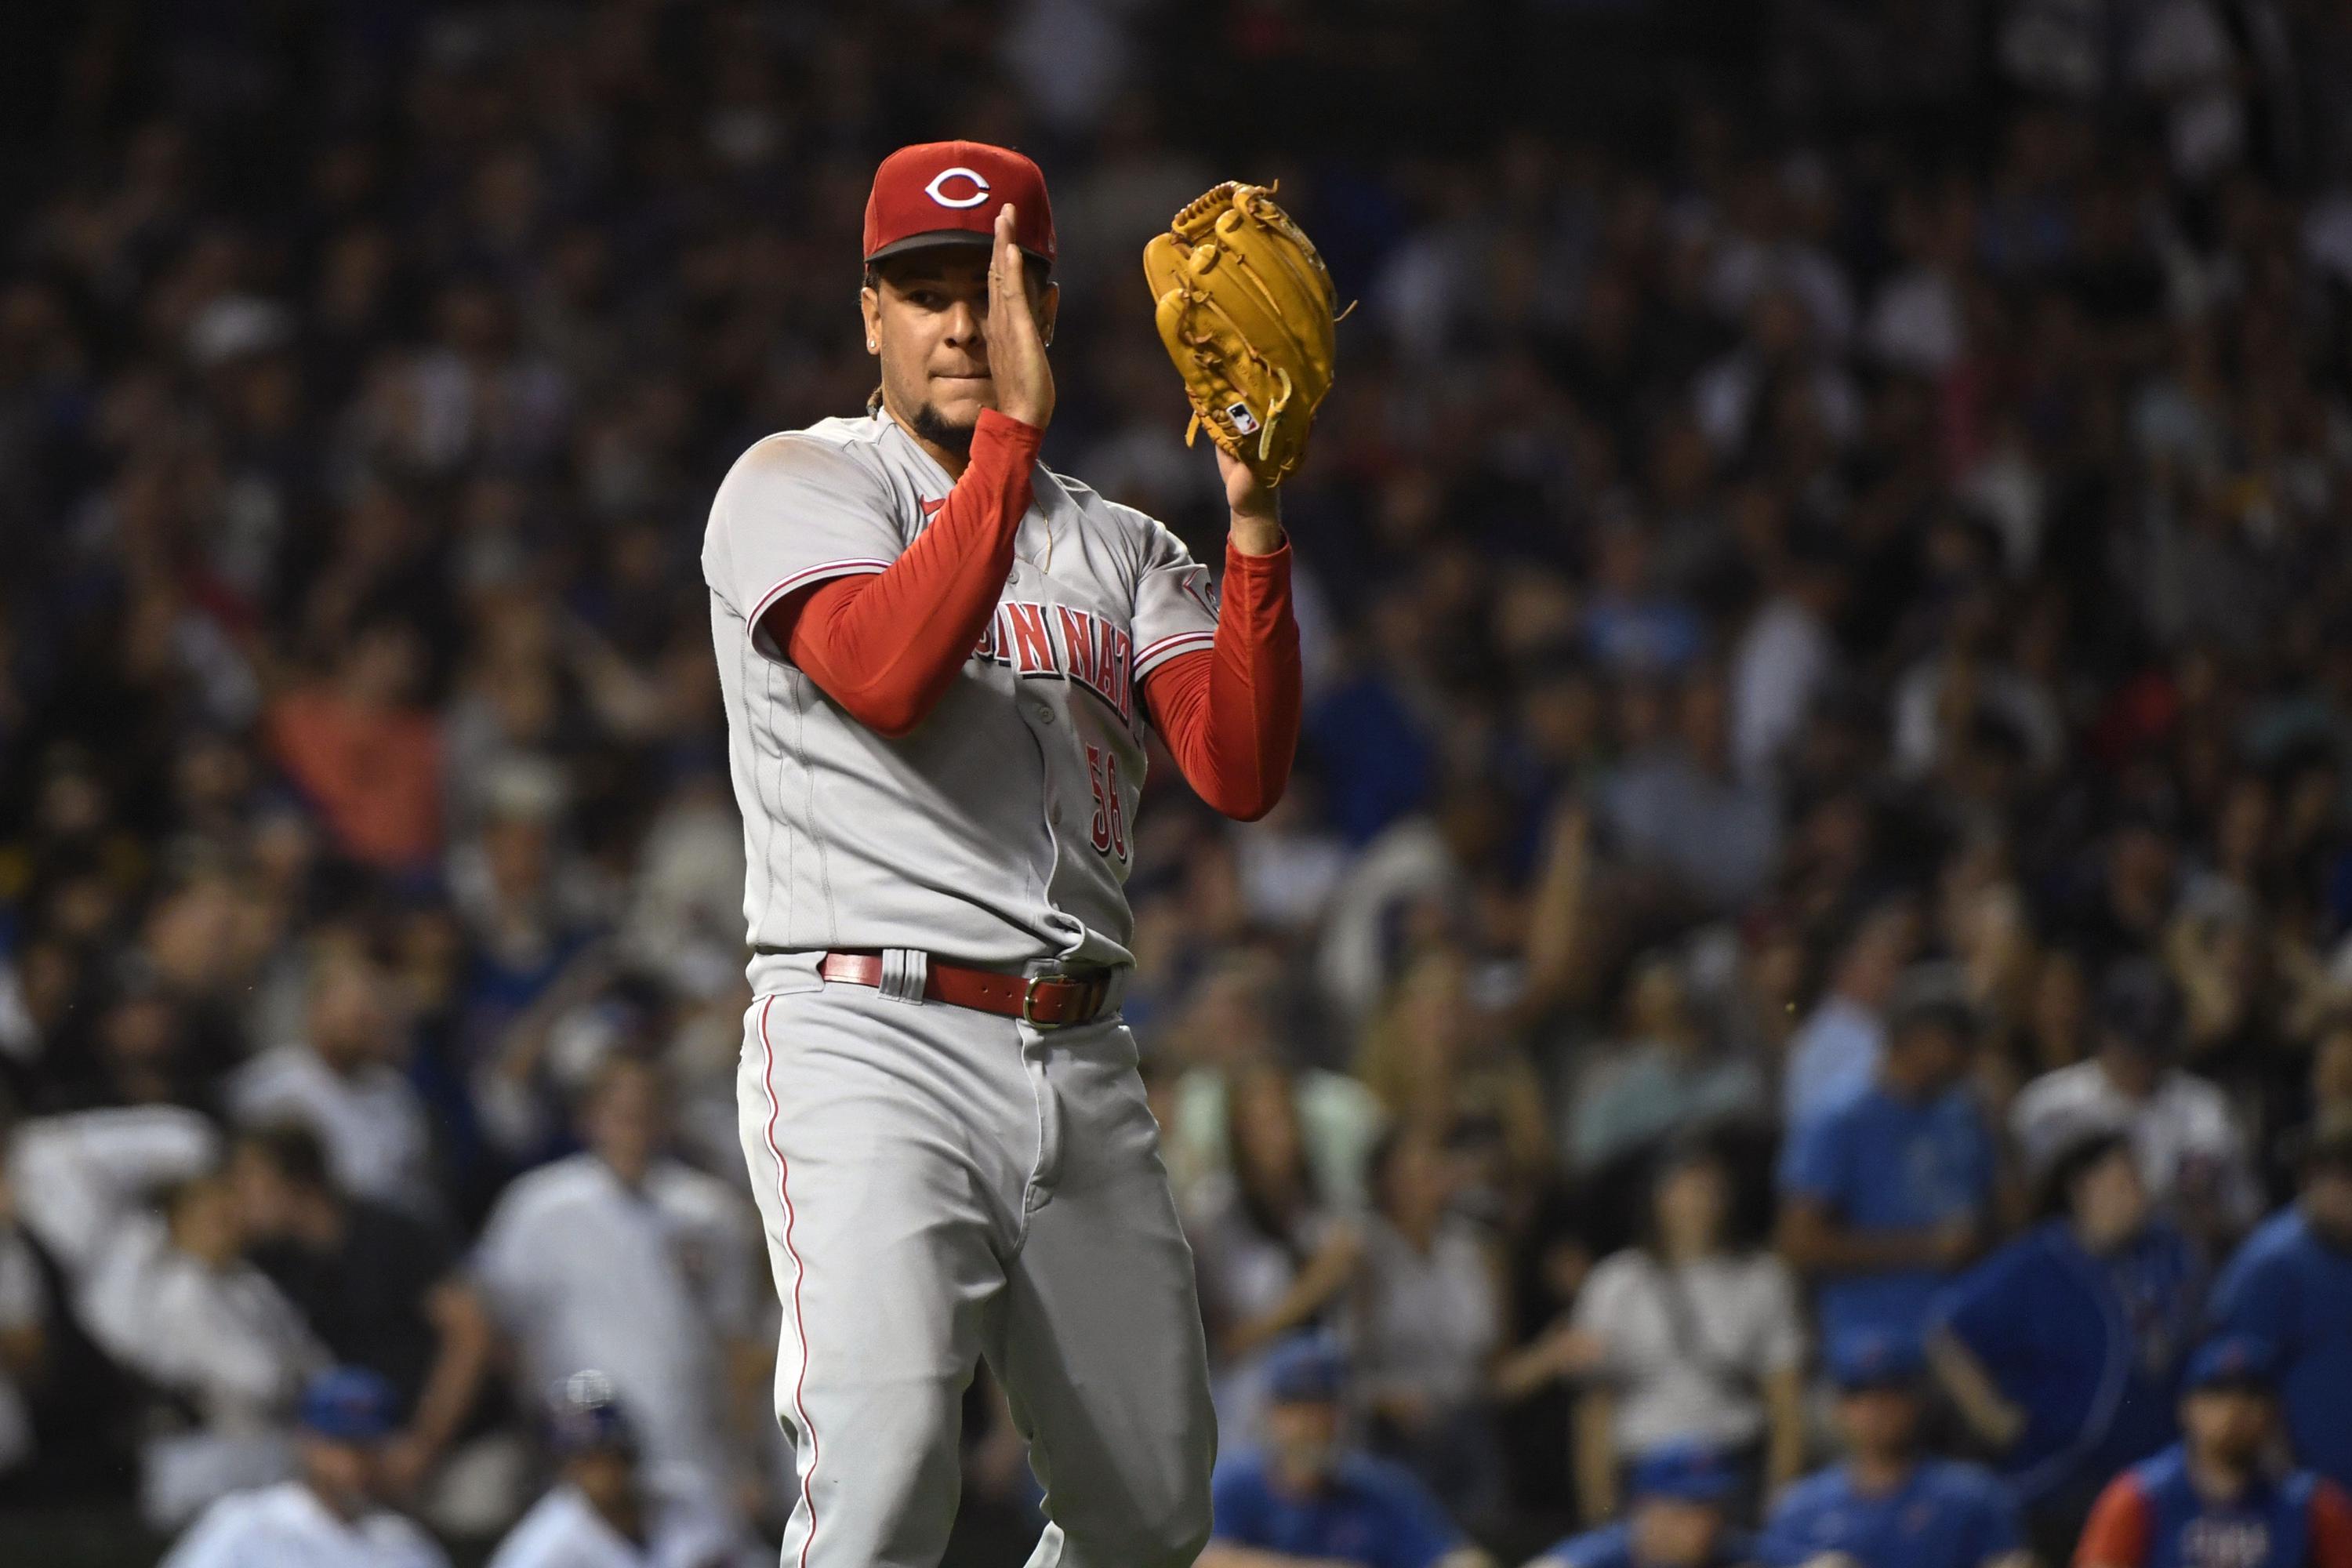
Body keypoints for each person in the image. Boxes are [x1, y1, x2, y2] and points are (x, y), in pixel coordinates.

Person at [702, 138, 1305, 1568]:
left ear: (1045, 296)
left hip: (1081, 1058)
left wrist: (1257, 517)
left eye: (996, 286)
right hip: (868, 1036)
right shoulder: (796, 484)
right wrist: (1013, 443)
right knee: (890, 1472)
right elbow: (886, 669)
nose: (964, 324)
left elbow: (1240, 767)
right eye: (925, 290)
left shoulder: (1120, 544)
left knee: (1149, 1514)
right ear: (871, 316)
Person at [472, 1054, 767, 1526]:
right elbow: (494, 1324)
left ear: (667, 1118)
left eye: (646, 1110)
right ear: (588, 1118)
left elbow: (736, 1348)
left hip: (690, 1452)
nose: (633, 1124)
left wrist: (745, 1462)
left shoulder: (710, 1212)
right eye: (619, 1111)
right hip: (583, 1458)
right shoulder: (538, 1207)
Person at [1926, 1130, 2204, 1553]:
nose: (2138, 1191)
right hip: (2059, 1480)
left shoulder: (2164, 1250)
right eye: (2122, 1179)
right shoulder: (2039, 1261)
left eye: (2138, 1177)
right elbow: (1947, 1332)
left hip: (2150, 1473)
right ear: (2082, 1188)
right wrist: (1993, 1418)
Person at [227, 1122, 495, 1512]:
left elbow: (471, 1334)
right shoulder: (277, 1260)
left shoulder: (391, 1232)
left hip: (462, 1446)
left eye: (249, 1180)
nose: (238, 1197)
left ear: (297, 1182)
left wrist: (424, 1444)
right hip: (365, 1454)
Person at [1572, 1138, 1805, 1526]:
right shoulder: (1615, 1283)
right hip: (1644, 1468)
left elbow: (1785, 1398)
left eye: (1708, 1188)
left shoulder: (1763, 1279)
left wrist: (1783, 1493)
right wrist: (1599, 1503)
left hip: (1731, 1464)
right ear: (1656, 1198)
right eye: (1682, 1186)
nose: (1696, 1201)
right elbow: (1595, 1405)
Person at [1777, 967, 1998, 1348]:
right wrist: (1924, 1247)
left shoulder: (1961, 1111)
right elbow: (1800, 1243)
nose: (1967, 1058)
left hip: (1964, 1333)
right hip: (1876, 1339)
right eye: (1958, 1043)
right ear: (1919, 1039)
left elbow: (1995, 1214)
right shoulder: (1839, 1117)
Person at [2012, 959, 2261, 1246]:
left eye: (2154, 1046)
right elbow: (2022, 1215)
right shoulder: (2047, 1106)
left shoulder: (2204, 1108)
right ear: (2104, 1033)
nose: (2143, 1061)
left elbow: (2244, 1213)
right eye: (2133, 1045)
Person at [1201, 1333, 1493, 1568]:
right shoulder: (1234, 1484)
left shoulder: (1378, 1486)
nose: (1314, 1424)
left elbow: (1451, 1555)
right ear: (1271, 1413)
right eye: (1299, 1408)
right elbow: (1204, 1559)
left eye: (1325, 1407)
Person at [2073, 1336, 2352, 1568]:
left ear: (2274, 1412)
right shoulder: (2139, 1496)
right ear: (2187, 1408)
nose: (2235, 1412)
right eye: (2219, 1395)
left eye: (2252, 1396)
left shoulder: (2313, 1505)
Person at [1757, 1330, 2028, 1568]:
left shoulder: (1971, 1496)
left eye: (1889, 1396)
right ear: (1839, 1409)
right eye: (1860, 1397)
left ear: (1915, 1402)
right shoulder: (1801, 1507)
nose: (1875, 1412)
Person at [1348, 1122, 1506, 1518]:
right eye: (1410, 1172)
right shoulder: (1362, 1250)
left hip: (1467, 1423)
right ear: (1383, 1180)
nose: (1424, 1182)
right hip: (1393, 1433)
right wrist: (1383, 1397)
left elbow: (1491, 1359)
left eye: (1433, 1169)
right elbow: (1343, 1358)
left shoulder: (1473, 1249)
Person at [160, 1367, 450, 1568]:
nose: (352, 1464)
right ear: (307, 1442)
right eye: (340, 1445)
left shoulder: (406, 1545)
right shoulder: (245, 1523)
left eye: (366, 1447)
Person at [227, 941, 436, 1217]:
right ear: (317, 1009)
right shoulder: (270, 1086)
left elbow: (413, 1190)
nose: (364, 1026)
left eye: (372, 1016)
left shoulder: (397, 1095)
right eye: (355, 1015)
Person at [2209, 1127, 2352, 1491]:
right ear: (2310, 1180)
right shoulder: (2271, 1264)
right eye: (2343, 1182)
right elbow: (2239, 1385)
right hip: (2307, 1492)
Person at [488, 1371, 750, 1568]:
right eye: (584, 1458)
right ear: (564, 1468)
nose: (600, 1470)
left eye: (606, 1451)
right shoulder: (541, 1549)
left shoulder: (692, 1495)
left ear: (629, 1451)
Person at [1528, 1440, 1755, 1568]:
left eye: (1712, 1510)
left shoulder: (1740, 1554)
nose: (1706, 1526)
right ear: (1646, 1511)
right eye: (1688, 1510)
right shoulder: (1588, 1559)